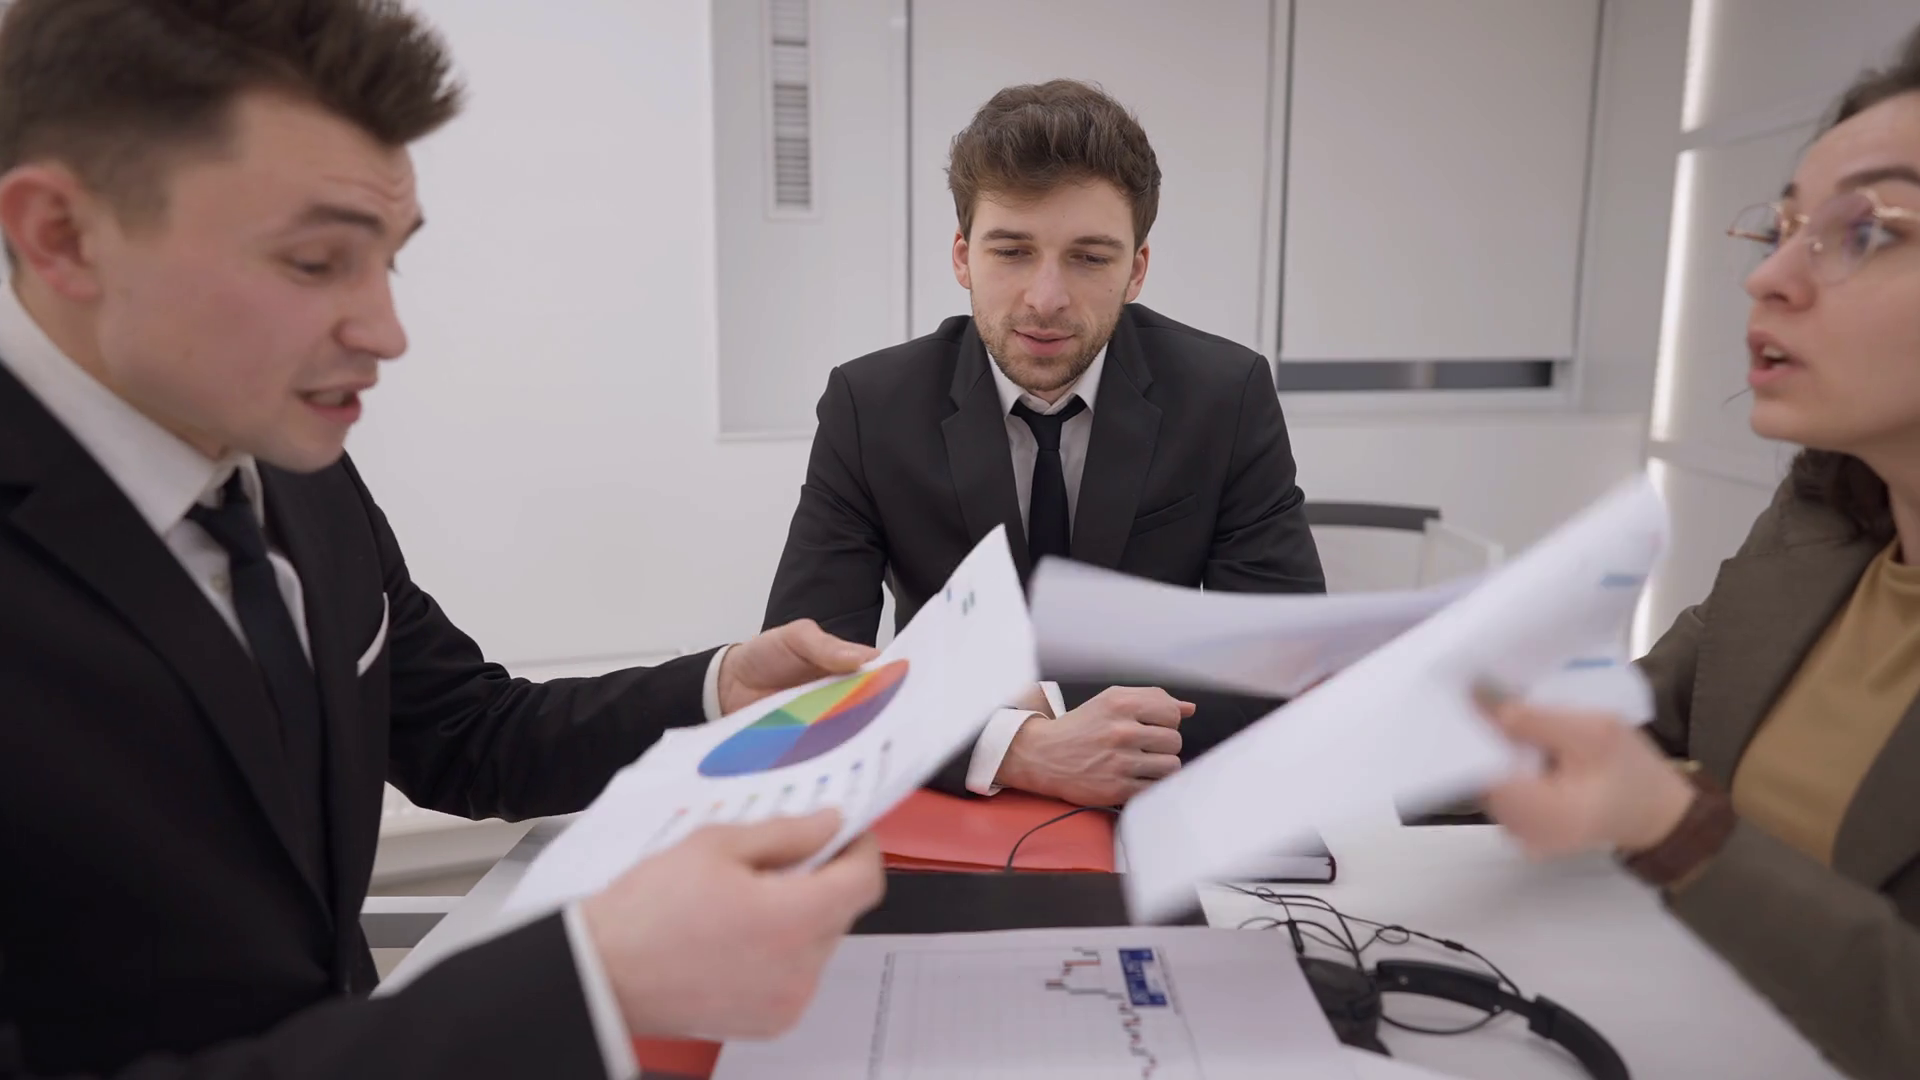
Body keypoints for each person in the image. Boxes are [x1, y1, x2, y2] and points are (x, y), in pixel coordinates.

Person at [0, 2, 884, 1078]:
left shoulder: (289, 465)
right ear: (62, 235)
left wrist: (720, 686)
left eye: (390, 262)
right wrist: (581, 981)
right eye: (316, 262)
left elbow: (468, 733)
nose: (386, 333)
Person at [1478, 25, 1920, 1080]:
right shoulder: (1820, 528)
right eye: (1784, 225)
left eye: (1865, 232)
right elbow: (1636, 710)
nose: (1768, 275)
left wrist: (1678, 832)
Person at [763, 80, 1326, 806]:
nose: (1046, 298)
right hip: (951, 804)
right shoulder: (870, 407)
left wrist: (1050, 712)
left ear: (1137, 271)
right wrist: (1018, 748)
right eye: (1013, 251)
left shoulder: (1226, 394)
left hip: (1152, 800)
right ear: (964, 258)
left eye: (1090, 258)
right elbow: (802, 686)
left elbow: (1284, 671)